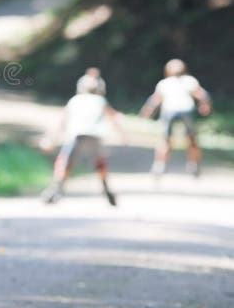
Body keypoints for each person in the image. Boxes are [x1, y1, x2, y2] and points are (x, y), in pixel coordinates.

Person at [41, 69, 125, 206]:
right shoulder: (101, 100)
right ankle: (106, 189)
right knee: (100, 164)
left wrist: (51, 139)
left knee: (64, 162)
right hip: (95, 137)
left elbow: (62, 121)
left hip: (77, 136)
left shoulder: (75, 100)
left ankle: (56, 188)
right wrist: (123, 136)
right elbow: (113, 118)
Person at [139, 58, 211, 177]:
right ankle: (194, 164)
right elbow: (202, 94)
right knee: (192, 138)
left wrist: (147, 111)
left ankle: (160, 165)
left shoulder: (165, 83)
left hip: (169, 110)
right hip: (186, 109)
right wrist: (205, 105)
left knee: (166, 139)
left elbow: (155, 100)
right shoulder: (190, 80)